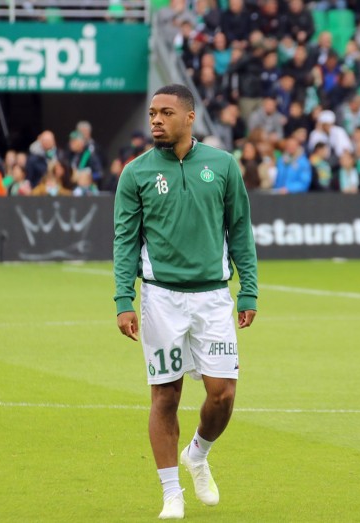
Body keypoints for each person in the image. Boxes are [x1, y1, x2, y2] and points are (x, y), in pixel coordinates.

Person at [113, 84, 258, 520]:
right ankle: (171, 493)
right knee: (165, 397)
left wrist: (248, 288)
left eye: (165, 113)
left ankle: (197, 453)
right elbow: (125, 240)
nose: (155, 120)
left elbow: (241, 231)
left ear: (189, 117)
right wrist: (124, 298)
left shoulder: (222, 165)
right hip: (161, 299)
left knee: (223, 395)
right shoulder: (135, 173)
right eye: (152, 113)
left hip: (213, 298)